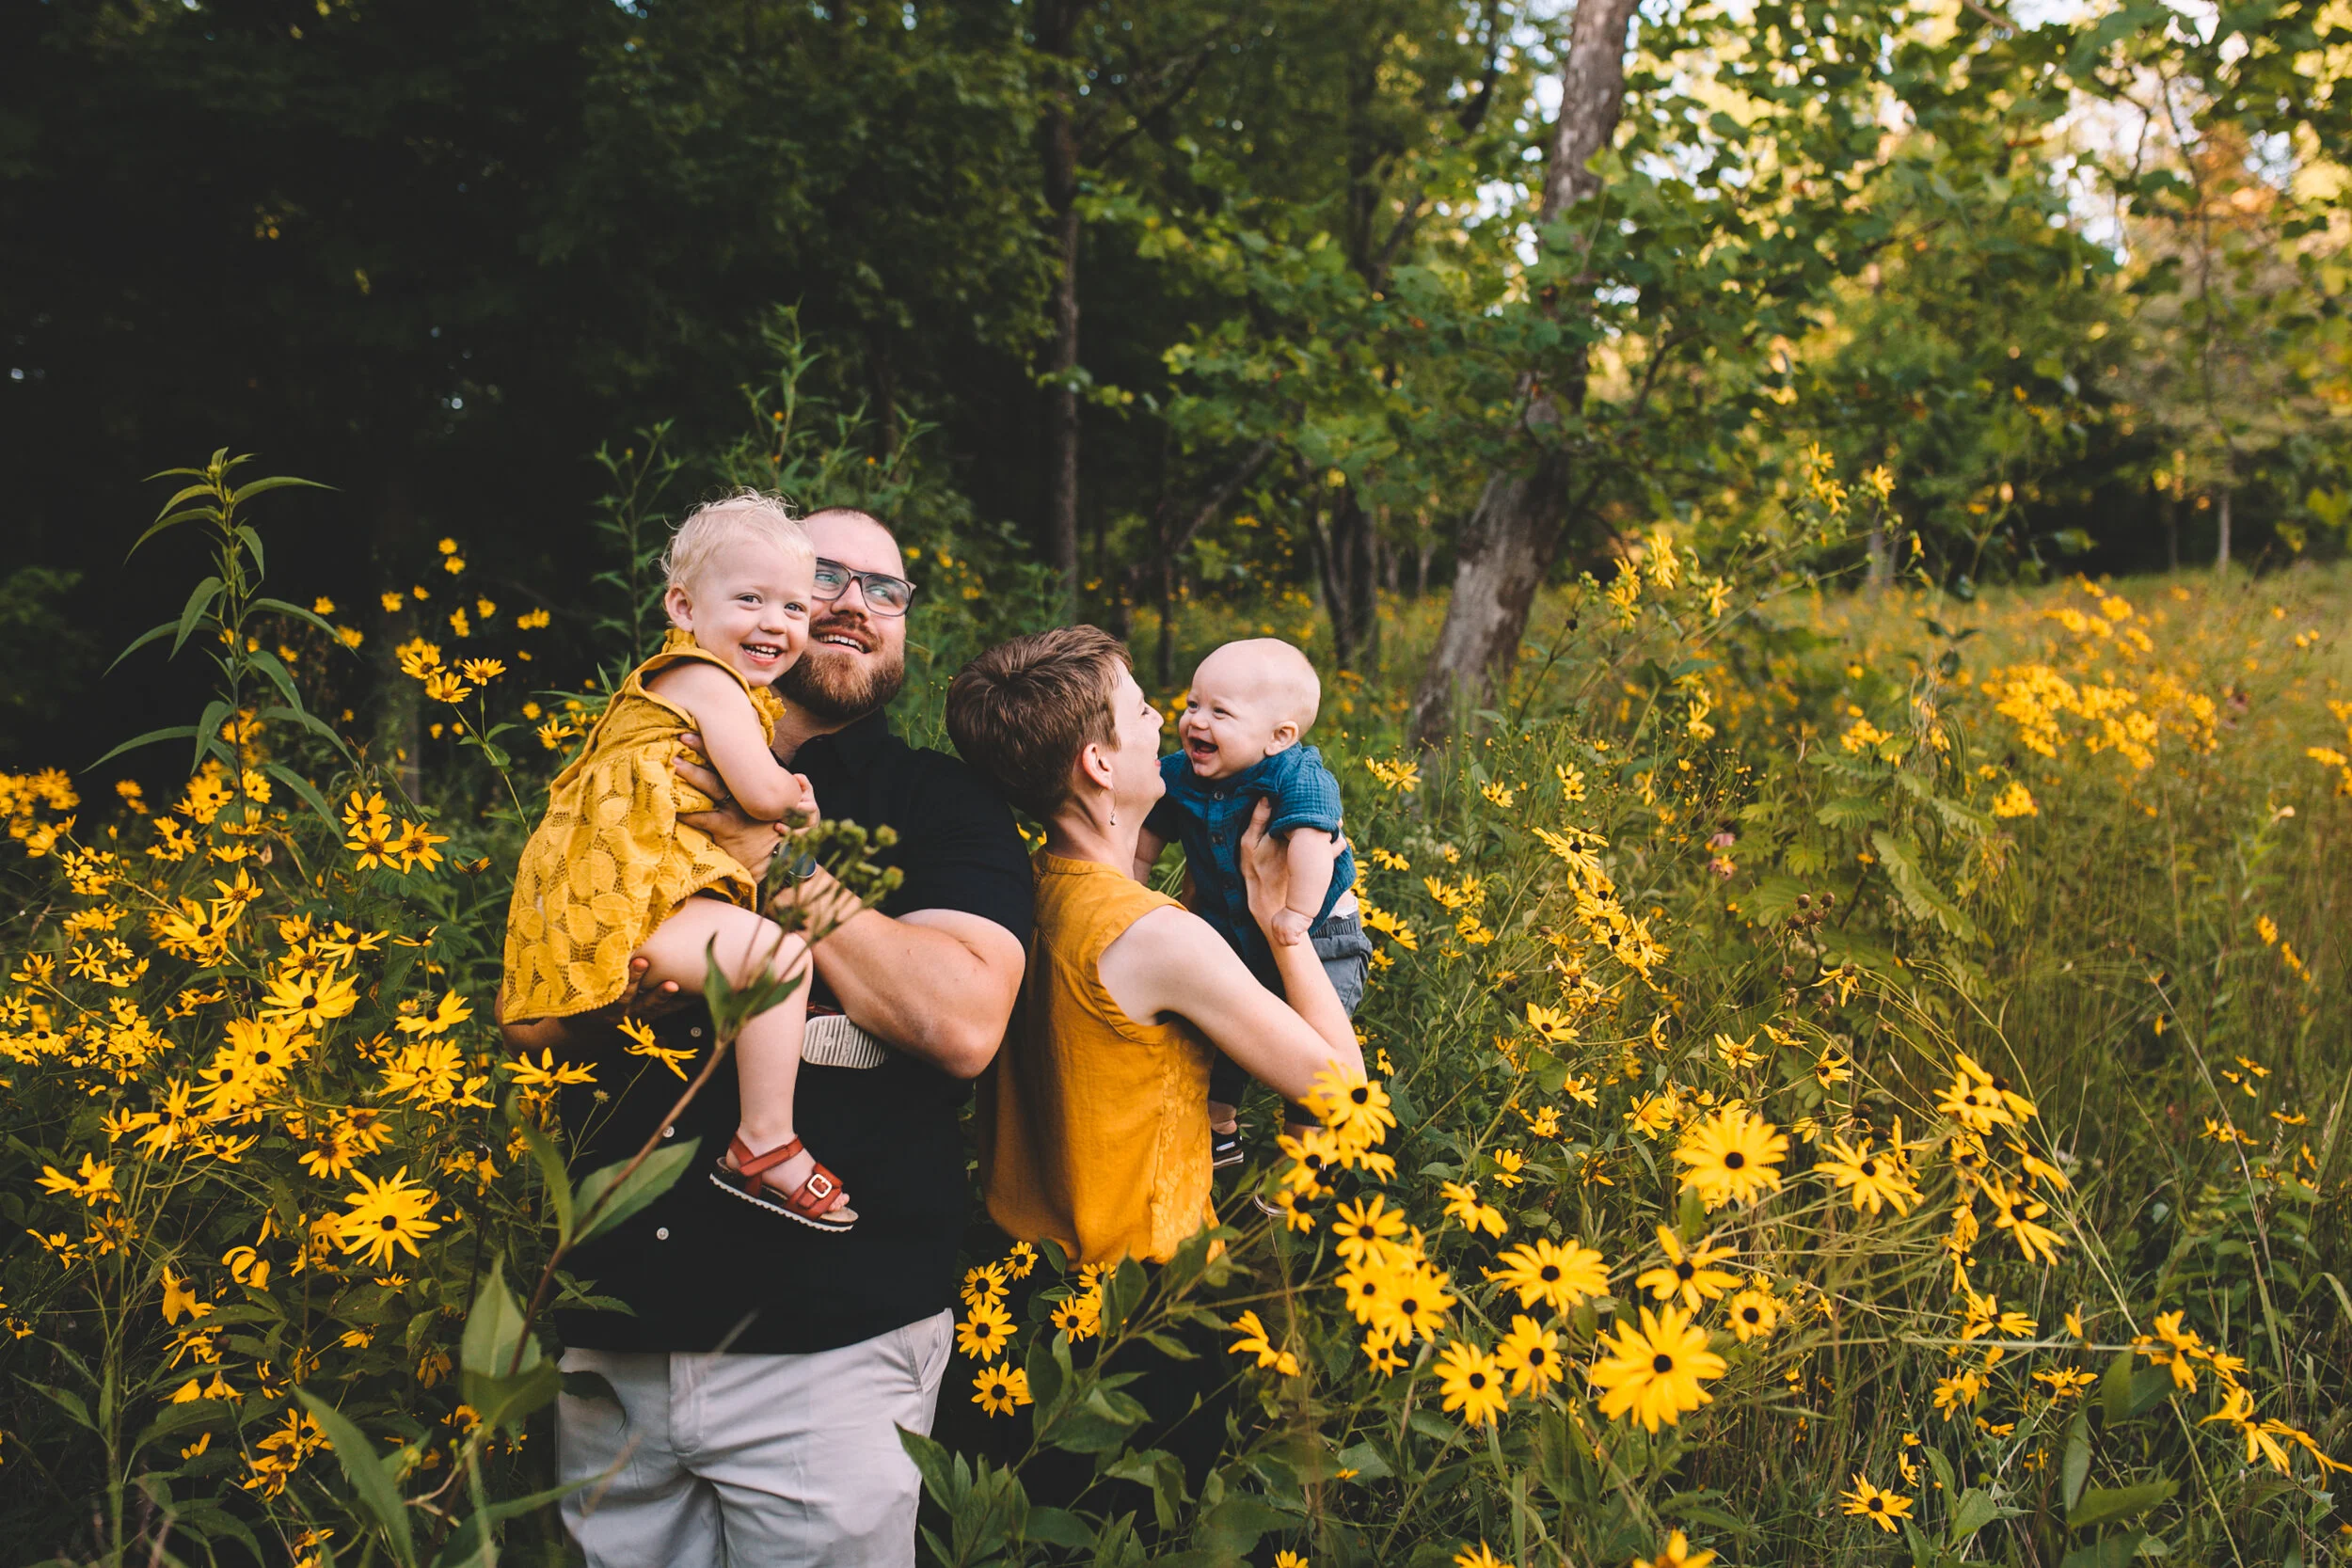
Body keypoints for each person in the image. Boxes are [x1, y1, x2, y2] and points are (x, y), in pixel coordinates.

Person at [505, 507, 1031, 1568]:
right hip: (619, 1335)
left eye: (886, 590)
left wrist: (778, 857)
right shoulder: (632, 765)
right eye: (823, 575)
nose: (851, 604)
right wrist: (622, 999)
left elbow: (963, 1022)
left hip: (828, 1346)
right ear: (704, 603)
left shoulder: (939, 802)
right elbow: (535, 1014)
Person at [943, 626, 1364, 1268]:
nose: (1166, 720)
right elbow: (1342, 1092)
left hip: (1030, 1256)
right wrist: (1283, 923)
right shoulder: (1156, 938)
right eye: (1141, 710)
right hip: (1144, 1278)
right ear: (1099, 764)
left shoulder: (1021, 887)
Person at [501, 492, 852, 1230]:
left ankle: (771, 1022)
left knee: (766, 965)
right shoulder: (706, 681)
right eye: (750, 599)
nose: (775, 621)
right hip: (628, 913)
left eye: (794, 607)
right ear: (684, 607)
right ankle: (763, 1144)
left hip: (629, 899)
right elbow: (762, 794)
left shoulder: (687, 686)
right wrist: (798, 801)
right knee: (780, 959)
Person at [1132, 638, 1371, 1165]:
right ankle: (1219, 1129)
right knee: (1220, 1030)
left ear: (1279, 737)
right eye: (1193, 704)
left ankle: (1301, 1159)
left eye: (1220, 712)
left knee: (1311, 1042)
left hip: (1319, 934)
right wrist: (1134, 883)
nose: (1196, 721)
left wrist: (1296, 914)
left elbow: (1313, 842)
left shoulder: (1296, 776)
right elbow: (1149, 833)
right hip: (1227, 925)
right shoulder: (1180, 773)